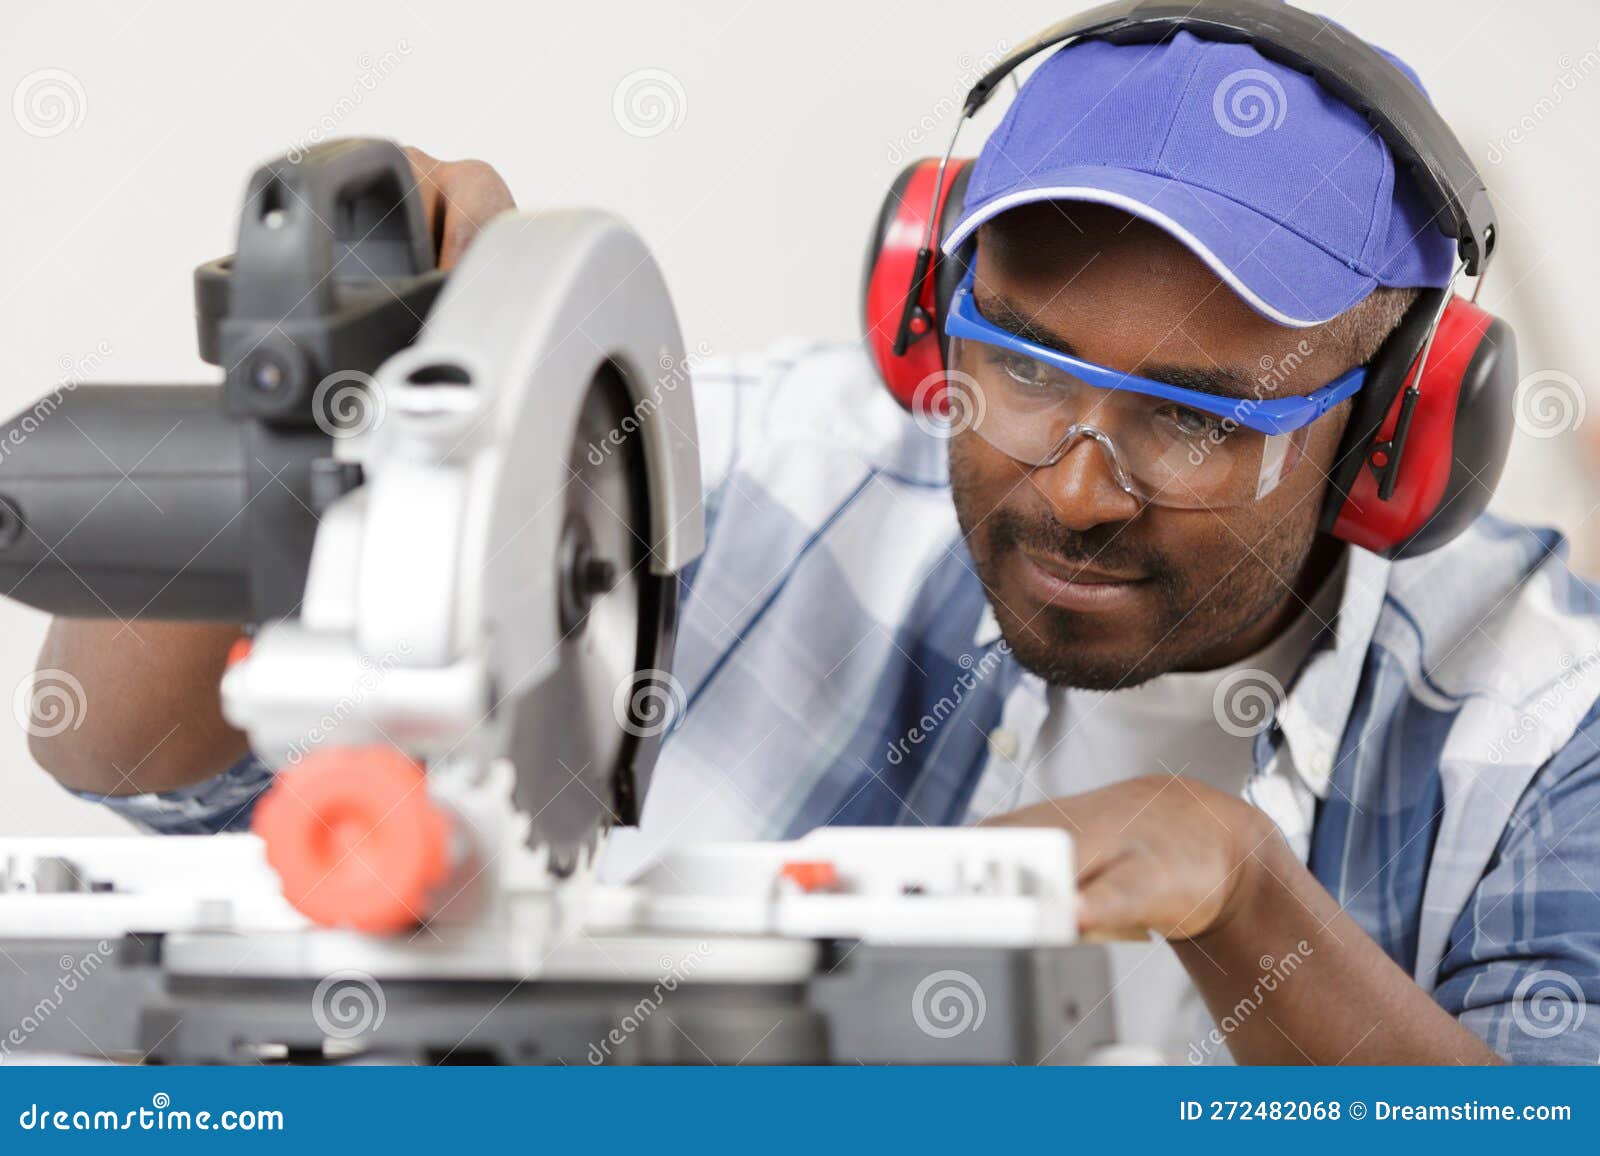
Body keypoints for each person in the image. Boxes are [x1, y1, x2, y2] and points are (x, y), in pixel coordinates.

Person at [29, 19, 1600, 1065]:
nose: (1073, 487)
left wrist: (1246, 892)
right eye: (1028, 368)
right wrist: (329, 405)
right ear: (925, 317)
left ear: (1396, 435)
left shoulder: (1545, 740)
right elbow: (129, 755)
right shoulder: (695, 474)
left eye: (1197, 420)